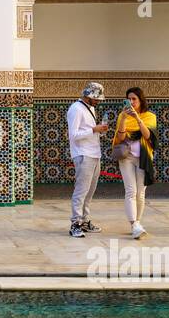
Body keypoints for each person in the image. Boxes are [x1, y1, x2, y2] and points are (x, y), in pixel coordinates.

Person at [112, 87, 157, 240]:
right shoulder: (122, 116)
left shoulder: (150, 116)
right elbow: (119, 139)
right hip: (127, 157)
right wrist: (124, 119)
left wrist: (137, 118)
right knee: (130, 190)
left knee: (140, 193)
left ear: (140, 100)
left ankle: (137, 223)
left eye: (134, 99)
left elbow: (148, 135)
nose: (131, 102)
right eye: (128, 99)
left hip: (143, 158)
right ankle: (134, 225)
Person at [67, 82, 109, 238]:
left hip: (94, 154)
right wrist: (93, 129)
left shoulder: (90, 108)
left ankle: (84, 220)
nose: (98, 101)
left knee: (90, 191)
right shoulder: (76, 109)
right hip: (83, 155)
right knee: (81, 191)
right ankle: (75, 224)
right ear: (88, 96)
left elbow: (90, 132)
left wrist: (99, 131)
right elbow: (74, 135)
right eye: (96, 98)